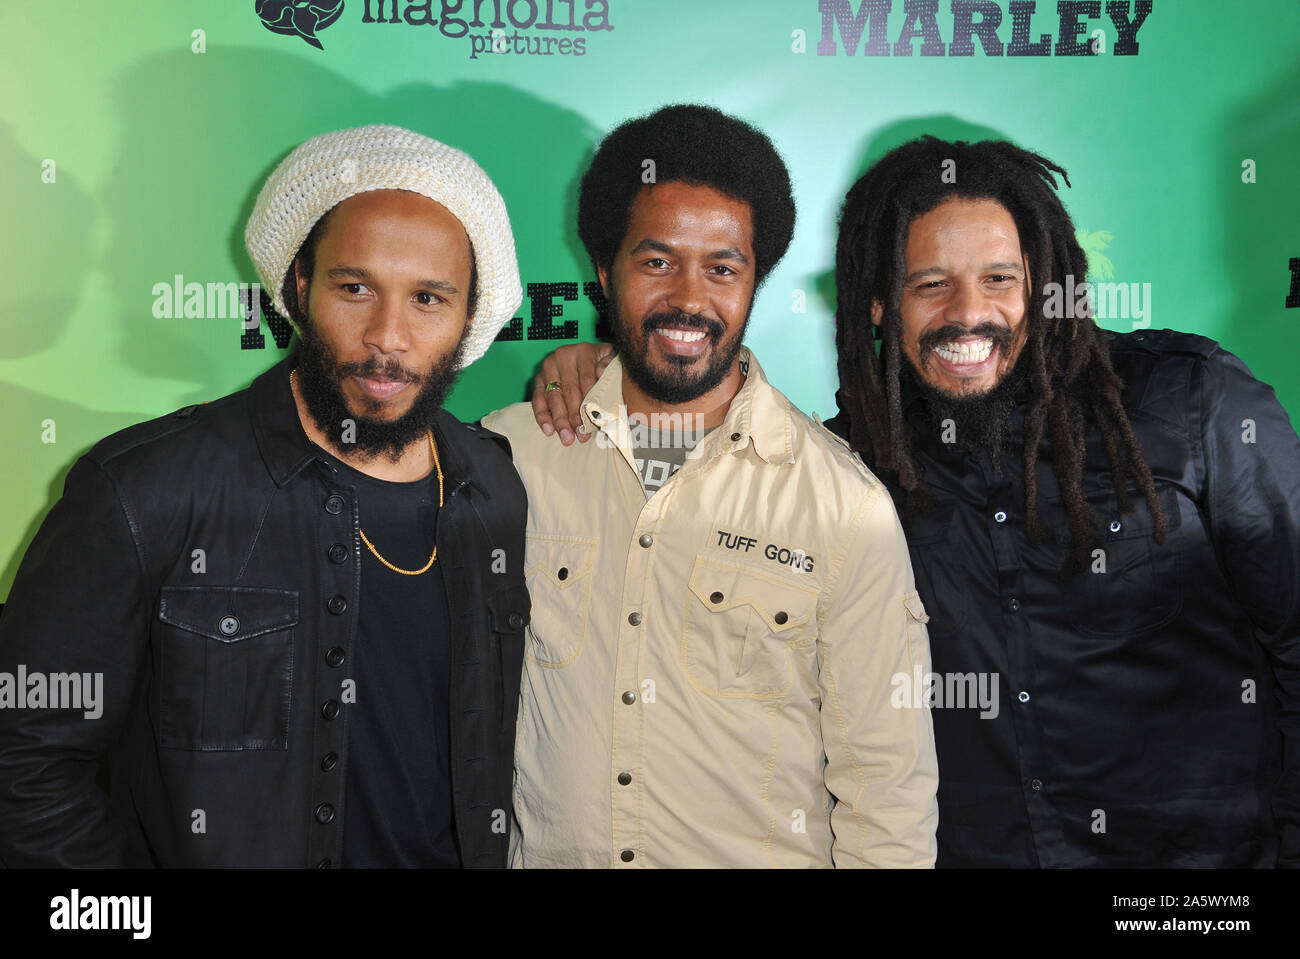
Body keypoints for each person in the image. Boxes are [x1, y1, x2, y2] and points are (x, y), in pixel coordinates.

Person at [531, 135, 1300, 868]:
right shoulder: (842, 469)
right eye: (929, 284)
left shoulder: (1193, 404)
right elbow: (693, 437)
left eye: (999, 278)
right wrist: (615, 368)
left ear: (1045, 280)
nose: (968, 313)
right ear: (876, 304)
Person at [0, 124, 531, 868]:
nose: (388, 335)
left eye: (428, 299)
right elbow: (23, 761)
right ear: (298, 286)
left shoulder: (495, 486)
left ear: (469, 316)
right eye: (355, 287)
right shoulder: (145, 489)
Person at [484, 104, 938, 868]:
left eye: (722, 268)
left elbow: (886, 793)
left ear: (756, 279)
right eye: (656, 261)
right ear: (604, 270)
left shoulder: (844, 505)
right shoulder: (511, 454)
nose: (689, 299)